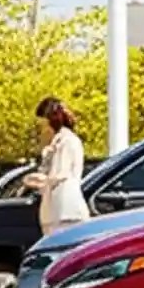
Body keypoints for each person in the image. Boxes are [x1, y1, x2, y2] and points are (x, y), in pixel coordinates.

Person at [24, 97, 89, 235]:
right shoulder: (57, 143)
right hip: (56, 212)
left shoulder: (67, 142)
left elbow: (61, 174)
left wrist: (39, 180)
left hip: (66, 211)